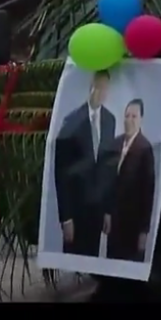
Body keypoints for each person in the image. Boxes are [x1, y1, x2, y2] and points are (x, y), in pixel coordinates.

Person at [53, 70, 117, 258]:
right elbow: (61, 172)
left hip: (97, 209)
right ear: (90, 87)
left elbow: (109, 168)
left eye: (105, 88)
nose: (101, 92)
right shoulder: (71, 121)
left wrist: (108, 210)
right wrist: (66, 218)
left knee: (92, 259)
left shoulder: (110, 120)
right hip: (76, 208)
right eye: (98, 87)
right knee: (73, 261)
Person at [105, 99, 156, 263]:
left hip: (133, 225)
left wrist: (144, 231)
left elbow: (148, 192)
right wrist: (107, 213)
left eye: (134, 116)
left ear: (141, 119)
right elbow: (109, 183)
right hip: (114, 222)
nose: (129, 120)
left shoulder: (145, 148)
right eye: (127, 116)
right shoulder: (115, 144)